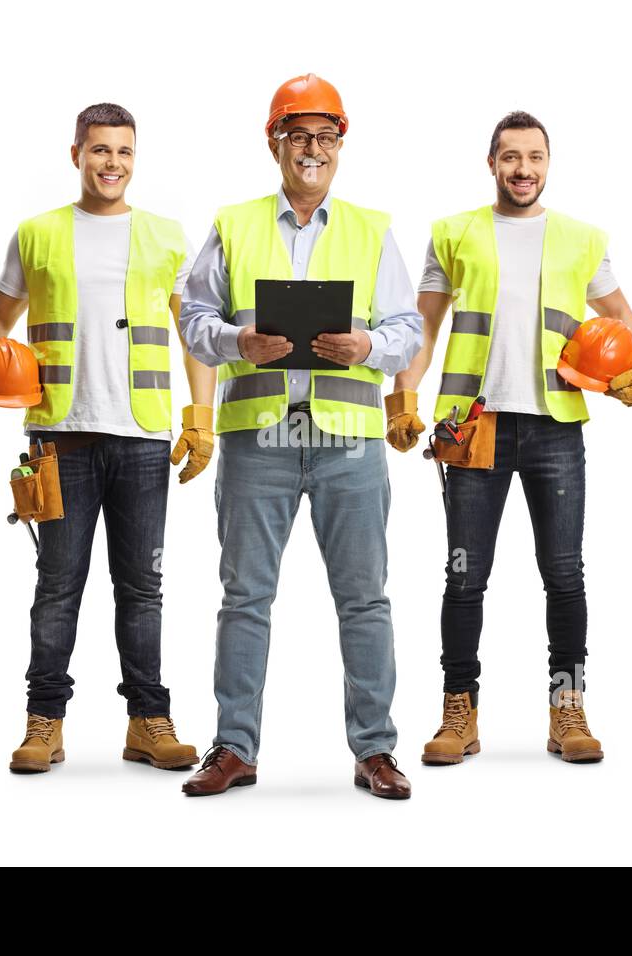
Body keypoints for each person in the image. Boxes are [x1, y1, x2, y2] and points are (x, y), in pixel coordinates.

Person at [0, 103, 213, 774]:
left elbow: (195, 332)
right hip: (58, 435)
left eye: (123, 151)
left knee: (142, 586)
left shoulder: (167, 236)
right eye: (99, 150)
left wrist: (200, 416)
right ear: (76, 155)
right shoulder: (37, 234)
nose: (111, 163)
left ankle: (149, 721)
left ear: (134, 158)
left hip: (142, 434)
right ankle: (45, 723)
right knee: (58, 584)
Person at [387, 110, 632, 766]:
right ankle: (460, 712)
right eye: (510, 157)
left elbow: (623, 319)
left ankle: (568, 708)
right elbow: (423, 327)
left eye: (534, 157)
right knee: (464, 576)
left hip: (556, 429)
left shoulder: (580, 239)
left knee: (565, 574)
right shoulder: (454, 234)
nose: (523, 169)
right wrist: (402, 399)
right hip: (472, 428)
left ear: (547, 163)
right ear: (491, 163)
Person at [177, 74, 422, 799]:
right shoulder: (233, 224)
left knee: (365, 599)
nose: (312, 150)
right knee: (244, 597)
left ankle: (376, 751)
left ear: (340, 146)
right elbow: (192, 320)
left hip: (349, 442)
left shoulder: (372, 229)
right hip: (258, 439)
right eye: (297, 136)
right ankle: (233, 747)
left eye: (325, 137)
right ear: (273, 142)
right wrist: (234, 341)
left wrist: (367, 349)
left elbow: (408, 332)